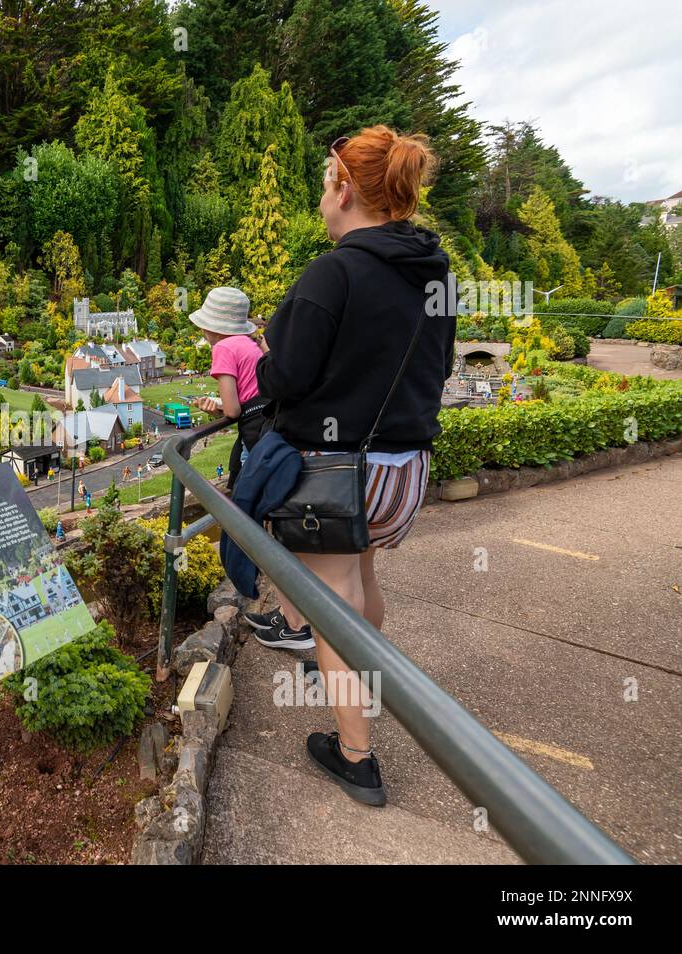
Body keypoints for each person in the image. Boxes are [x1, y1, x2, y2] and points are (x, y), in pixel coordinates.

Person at [247, 126, 454, 807]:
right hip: (403, 472)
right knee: (359, 583)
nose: (318, 198)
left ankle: (356, 755)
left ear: (344, 188)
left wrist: (267, 357)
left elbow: (287, 378)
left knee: (331, 606)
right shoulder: (436, 269)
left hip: (340, 477)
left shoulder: (333, 271)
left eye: (322, 184)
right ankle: (354, 677)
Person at [187, 286, 264, 474]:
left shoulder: (223, 348)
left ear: (214, 327)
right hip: (268, 424)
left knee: (247, 494)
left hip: (254, 431)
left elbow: (233, 410)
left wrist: (215, 408)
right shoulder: (250, 343)